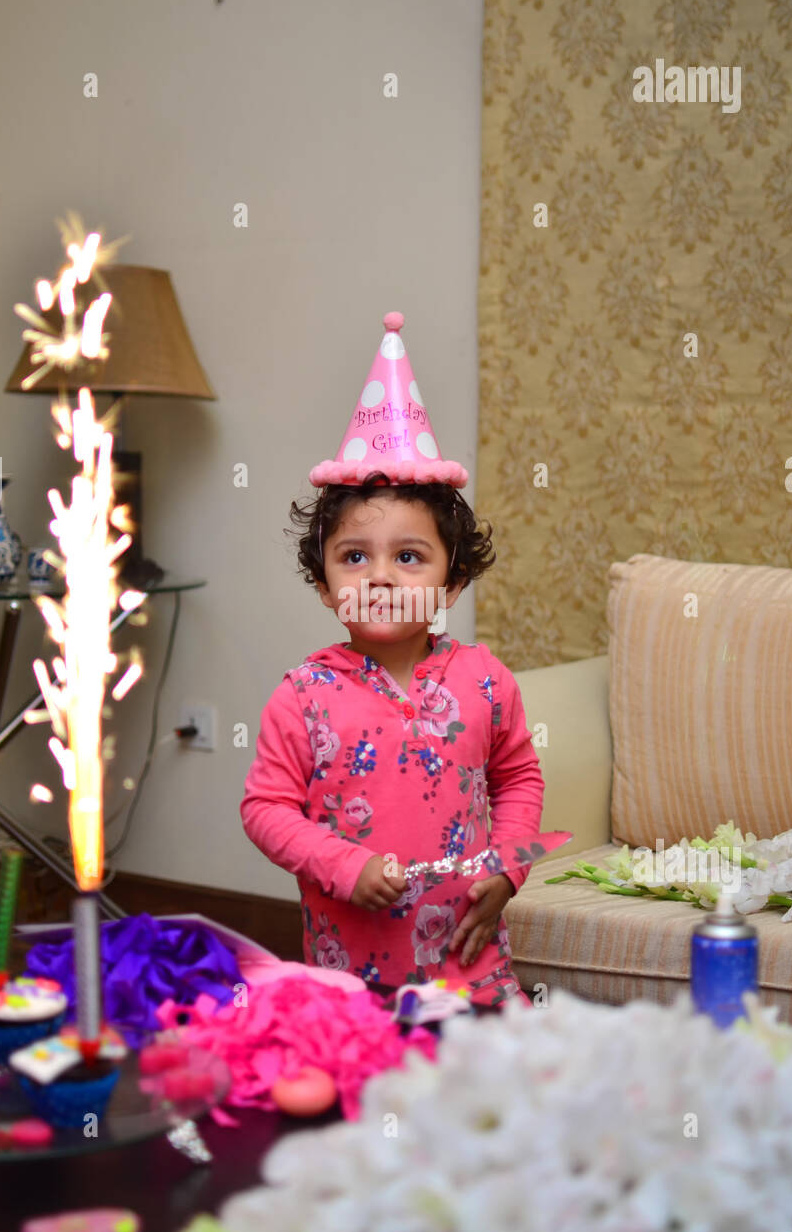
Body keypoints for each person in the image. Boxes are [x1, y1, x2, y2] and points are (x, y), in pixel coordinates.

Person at [239, 312, 568, 1007]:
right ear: (326, 586)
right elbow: (265, 808)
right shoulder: (302, 695)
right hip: (349, 969)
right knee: (364, 1099)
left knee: (477, 1101)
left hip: (470, 961)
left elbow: (517, 778)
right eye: (354, 557)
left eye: (408, 557)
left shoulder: (485, 680)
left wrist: (510, 868)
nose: (380, 577)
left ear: (450, 584)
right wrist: (341, 863)